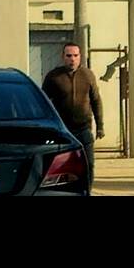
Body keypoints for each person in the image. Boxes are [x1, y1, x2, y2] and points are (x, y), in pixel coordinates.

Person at [41, 43, 104, 190]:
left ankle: (86, 190)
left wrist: (100, 126)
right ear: (63, 57)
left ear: (80, 57)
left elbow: (96, 101)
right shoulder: (54, 77)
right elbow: (44, 102)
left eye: (75, 55)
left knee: (88, 163)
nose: (72, 59)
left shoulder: (88, 75)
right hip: (63, 130)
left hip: (83, 128)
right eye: (69, 55)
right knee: (62, 164)